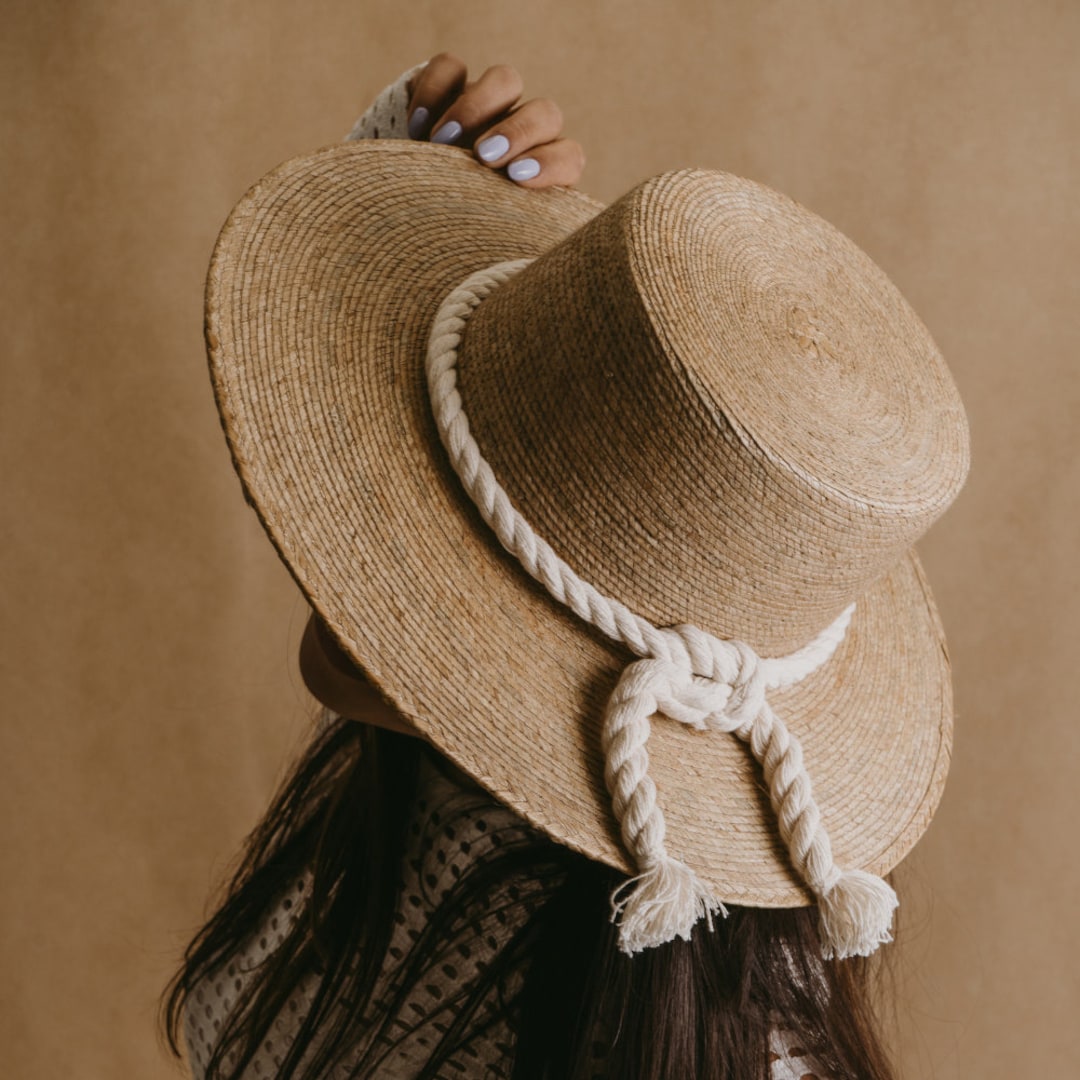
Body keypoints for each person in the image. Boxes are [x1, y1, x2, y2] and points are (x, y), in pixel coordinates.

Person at [164, 52, 970, 1080]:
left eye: (443, 541)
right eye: (429, 518)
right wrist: (414, 180)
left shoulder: (716, 1050)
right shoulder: (445, 773)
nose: (361, 558)